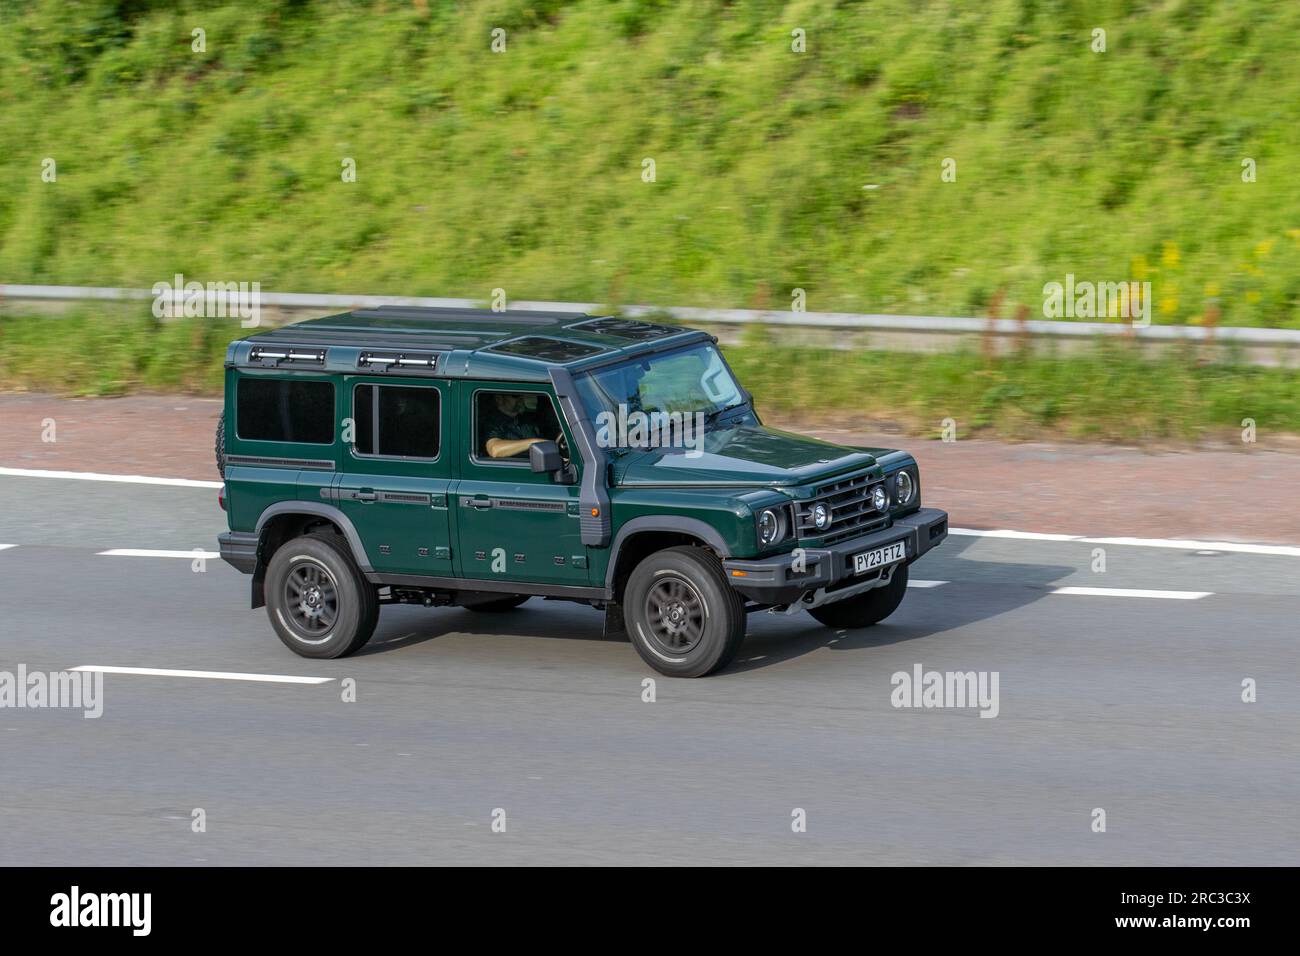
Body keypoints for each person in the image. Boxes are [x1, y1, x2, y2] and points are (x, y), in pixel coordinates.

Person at [481, 392, 548, 459]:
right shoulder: (491, 422)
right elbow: (494, 450)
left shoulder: (528, 420)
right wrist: (533, 442)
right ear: (499, 398)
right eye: (515, 395)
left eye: (522, 396)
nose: (521, 398)